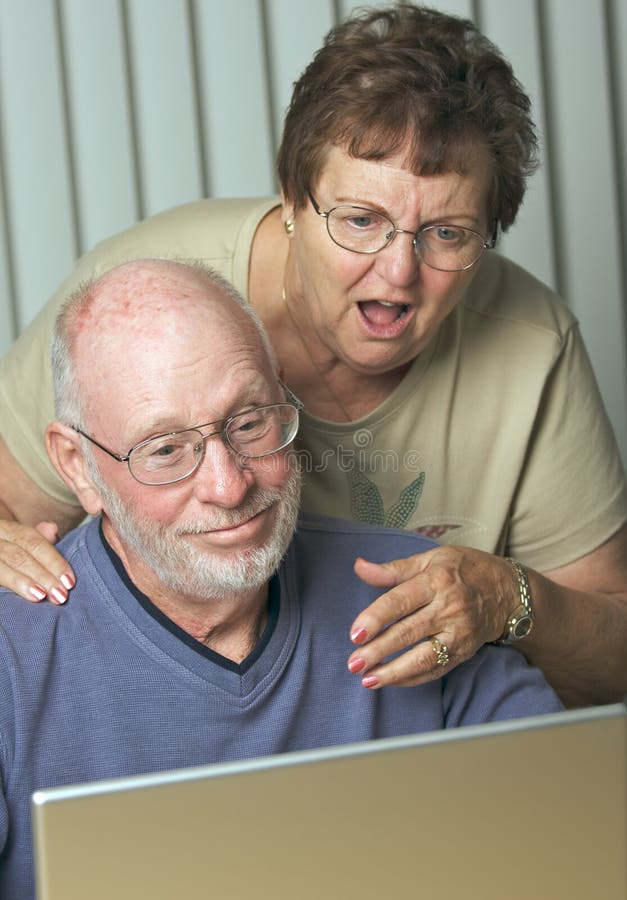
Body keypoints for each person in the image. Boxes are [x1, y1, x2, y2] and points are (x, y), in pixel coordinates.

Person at [0, 5, 625, 708]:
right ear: (294, 196)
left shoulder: (530, 345)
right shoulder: (140, 301)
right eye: (360, 220)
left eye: (447, 233)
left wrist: (504, 597)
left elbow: (610, 662)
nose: (396, 273)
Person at [0, 258, 562, 898]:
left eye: (248, 422)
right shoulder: (10, 653)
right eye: (165, 451)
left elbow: (566, 831)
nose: (229, 485)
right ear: (77, 466)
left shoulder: (418, 593)